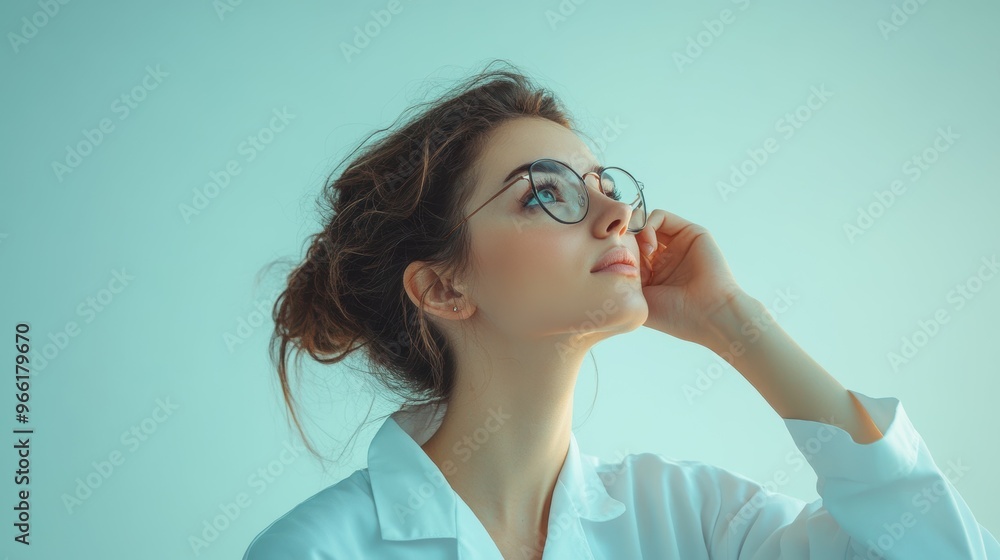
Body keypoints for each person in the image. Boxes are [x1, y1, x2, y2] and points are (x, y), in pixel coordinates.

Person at [243, 59, 1000, 559]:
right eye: (546, 194)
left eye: (606, 183)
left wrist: (734, 321)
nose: (615, 215)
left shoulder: (690, 518)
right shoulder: (318, 549)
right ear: (444, 287)